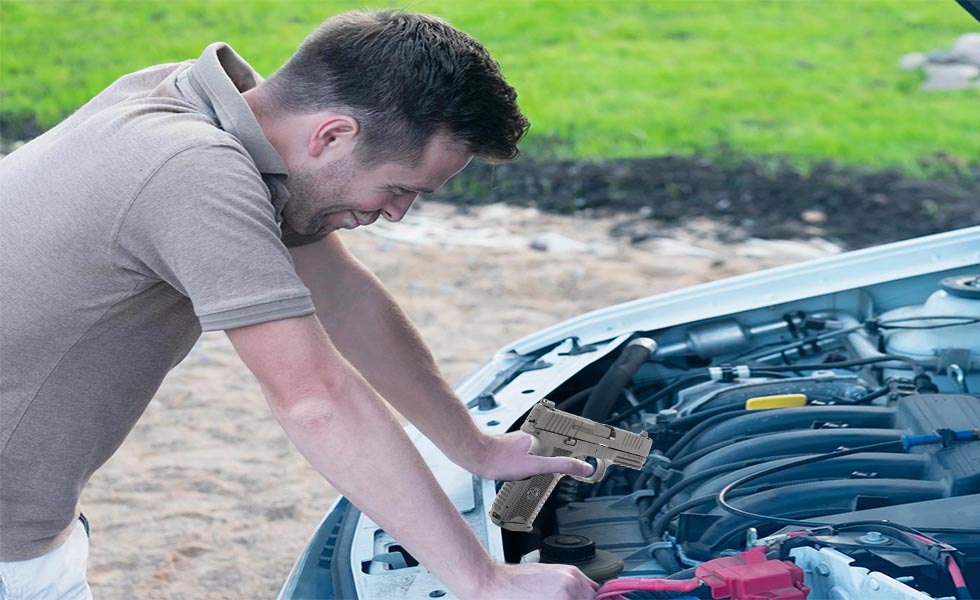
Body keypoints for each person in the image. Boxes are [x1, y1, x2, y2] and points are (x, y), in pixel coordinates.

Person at [0, 10, 599, 600]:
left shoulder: (199, 101)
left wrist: (476, 448)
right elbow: (314, 398)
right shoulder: (192, 171)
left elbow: (342, 293)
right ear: (332, 135)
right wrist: (483, 581)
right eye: (399, 189)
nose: (396, 214)